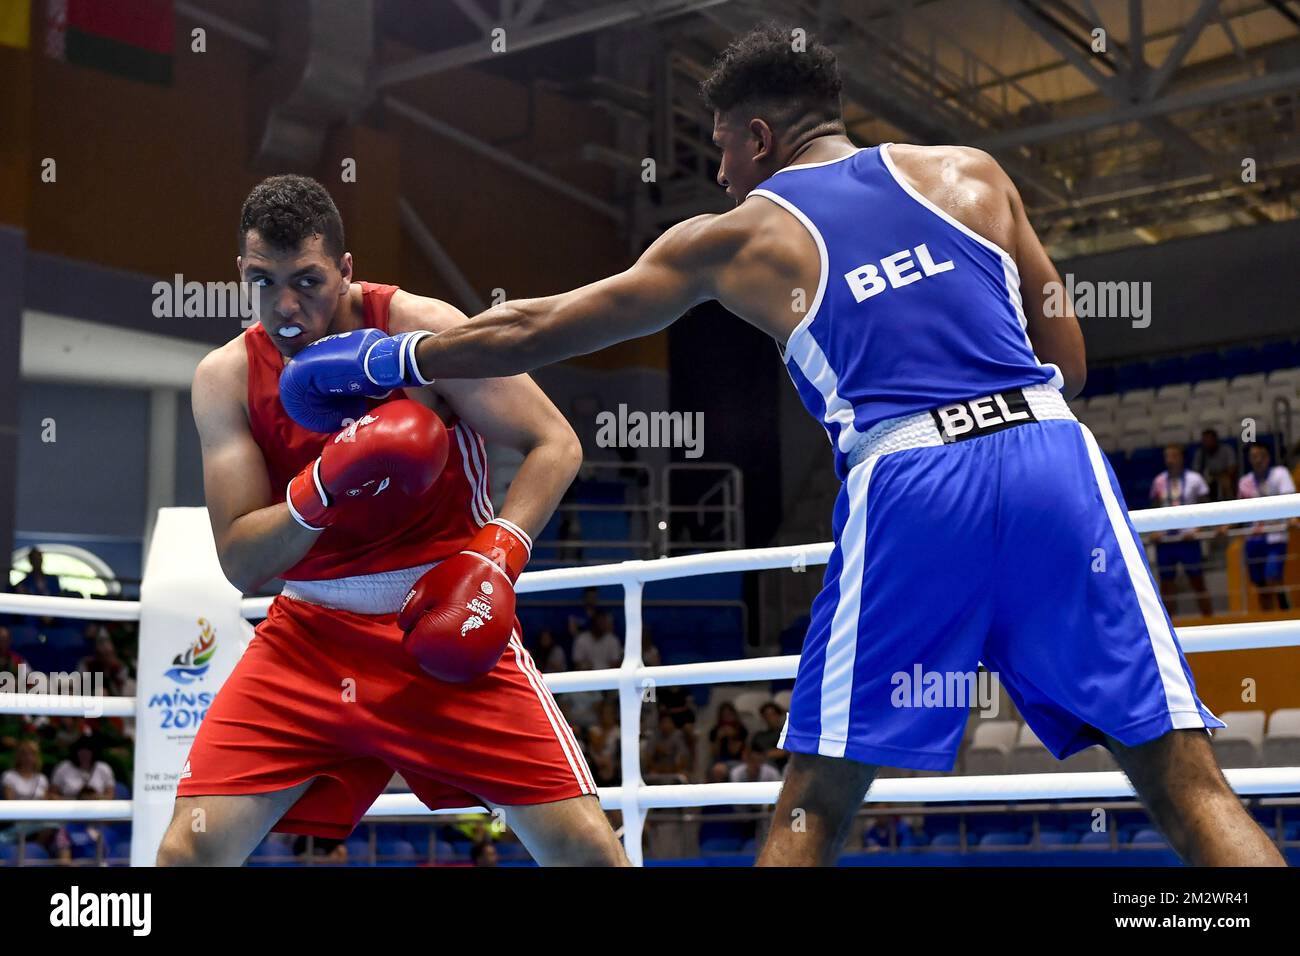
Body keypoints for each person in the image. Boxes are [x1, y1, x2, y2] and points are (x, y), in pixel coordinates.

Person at [279, 28, 1281, 866]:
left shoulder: (738, 235)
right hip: (1053, 457)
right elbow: (1065, 356)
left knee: (817, 793)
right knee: (1180, 776)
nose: (717, 171)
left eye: (719, 148)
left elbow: (537, 328)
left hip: (912, 473)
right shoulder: (972, 174)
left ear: (756, 136)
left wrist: (390, 358)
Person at [156, 175, 624, 867]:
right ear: (241, 274)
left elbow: (554, 442)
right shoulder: (225, 377)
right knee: (185, 855)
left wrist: (497, 554)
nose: (286, 307)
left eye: (308, 281)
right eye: (264, 281)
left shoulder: (420, 333)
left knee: (588, 854)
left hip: (436, 623)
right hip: (307, 639)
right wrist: (323, 484)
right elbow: (242, 562)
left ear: (346, 270)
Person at [1149, 444, 1213, 617]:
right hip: (1166, 540)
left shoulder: (1195, 479)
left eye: (1173, 455)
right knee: (1167, 585)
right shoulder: (1159, 481)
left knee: (1197, 581)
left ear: (1181, 457)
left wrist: (1198, 529)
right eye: (1167, 456)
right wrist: (1154, 531)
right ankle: (1170, 628)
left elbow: (1206, 506)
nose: (1169, 459)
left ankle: (1209, 621)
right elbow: (1154, 509)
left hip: (1188, 537)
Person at [1238, 443, 1297, 611]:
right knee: (1261, 586)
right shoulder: (1245, 481)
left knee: (1272, 577)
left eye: (1261, 455)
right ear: (1249, 460)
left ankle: (1286, 612)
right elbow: (1238, 510)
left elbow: (1289, 499)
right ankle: (1267, 621)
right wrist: (1226, 526)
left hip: (1275, 536)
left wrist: (1292, 518)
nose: (1257, 460)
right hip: (1254, 538)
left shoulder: (1280, 474)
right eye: (1253, 456)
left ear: (1268, 457)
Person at [1192, 429, 1237, 502]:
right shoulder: (1200, 453)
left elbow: (1232, 468)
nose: (1207, 443)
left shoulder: (1226, 449)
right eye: (1205, 441)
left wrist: (1217, 475)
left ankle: (1229, 504)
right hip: (1206, 479)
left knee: (1226, 481)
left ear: (1215, 439)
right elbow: (1196, 473)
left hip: (1223, 476)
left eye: (1210, 440)